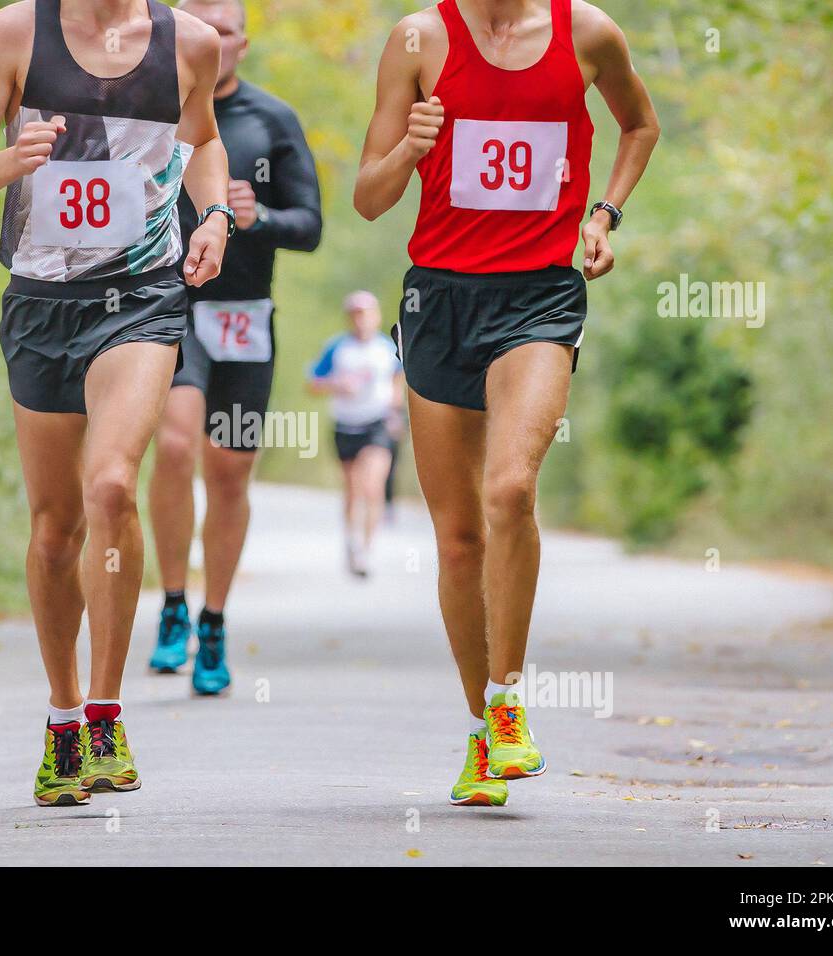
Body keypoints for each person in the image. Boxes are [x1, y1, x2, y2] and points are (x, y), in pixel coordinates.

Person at [354, 0, 659, 806]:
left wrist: (604, 213)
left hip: (539, 299)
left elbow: (639, 127)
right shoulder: (418, 39)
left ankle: (509, 699)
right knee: (457, 541)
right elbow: (368, 196)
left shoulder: (586, 33)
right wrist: (411, 148)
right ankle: (482, 735)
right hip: (439, 301)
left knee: (511, 489)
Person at [0, 0, 233, 806]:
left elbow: (203, 139)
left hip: (141, 297)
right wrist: (9, 162)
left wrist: (212, 218)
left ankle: (106, 713)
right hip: (40, 303)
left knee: (111, 486)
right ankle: (63, 717)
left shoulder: (190, 43)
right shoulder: (12, 34)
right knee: (55, 525)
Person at [146, 0, 323, 694]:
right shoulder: (152, 107)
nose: (208, 39)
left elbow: (310, 226)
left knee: (229, 468)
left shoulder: (271, 119)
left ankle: (213, 620)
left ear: (241, 43)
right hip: (168, 305)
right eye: (196, 26)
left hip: (245, 316)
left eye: (220, 30)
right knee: (175, 445)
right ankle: (170, 605)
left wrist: (261, 217)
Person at [307, 291, 404, 578]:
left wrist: (395, 413)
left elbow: (397, 381)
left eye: (365, 314)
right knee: (352, 488)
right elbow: (313, 384)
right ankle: (351, 540)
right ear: (349, 318)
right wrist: (336, 385)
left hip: (377, 424)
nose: (360, 320)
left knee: (372, 485)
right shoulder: (337, 348)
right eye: (355, 315)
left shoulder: (387, 348)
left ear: (376, 317)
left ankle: (366, 550)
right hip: (345, 425)